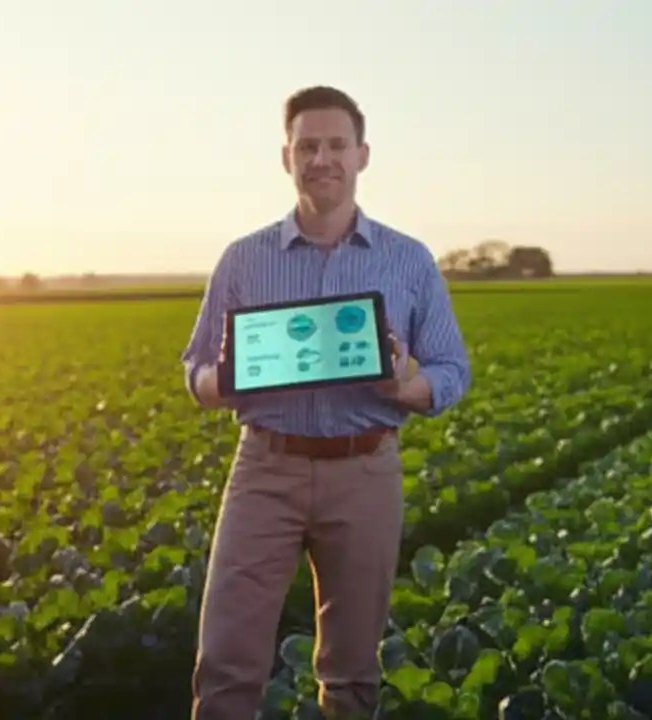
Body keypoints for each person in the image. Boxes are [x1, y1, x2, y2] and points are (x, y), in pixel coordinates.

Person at [180, 85, 472, 719]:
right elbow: (195, 368)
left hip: (365, 470)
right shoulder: (244, 259)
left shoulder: (408, 260)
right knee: (226, 662)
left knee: (352, 673)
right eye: (307, 145)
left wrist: (405, 387)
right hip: (265, 469)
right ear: (286, 156)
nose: (322, 158)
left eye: (336, 144)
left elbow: (453, 369)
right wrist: (222, 383)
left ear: (362, 155)